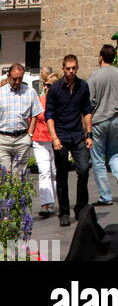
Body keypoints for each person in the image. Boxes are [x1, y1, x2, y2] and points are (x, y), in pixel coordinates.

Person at [45, 55, 94, 227]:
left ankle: (81, 208)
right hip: (61, 135)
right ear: (63, 68)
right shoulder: (55, 89)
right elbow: (49, 114)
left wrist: (89, 134)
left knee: (83, 169)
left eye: (74, 68)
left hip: (78, 134)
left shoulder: (83, 86)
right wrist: (54, 137)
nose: (71, 71)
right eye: (68, 68)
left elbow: (87, 111)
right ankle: (64, 212)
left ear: (77, 68)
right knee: (62, 174)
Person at [87, 43, 118, 207]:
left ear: (100, 57)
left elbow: (88, 104)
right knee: (114, 154)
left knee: (98, 159)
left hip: (99, 121)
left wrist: (87, 129)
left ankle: (105, 196)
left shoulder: (94, 77)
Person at [0, 60, 42, 174]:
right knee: (4, 176)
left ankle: (18, 193)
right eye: (14, 79)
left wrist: (30, 134)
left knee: (19, 178)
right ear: (8, 76)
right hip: (3, 140)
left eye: (20, 78)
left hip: (22, 139)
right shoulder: (1, 93)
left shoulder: (30, 92)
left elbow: (35, 114)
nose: (17, 82)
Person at [32, 69, 60, 217]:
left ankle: (51, 203)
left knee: (55, 172)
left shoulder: (61, 102)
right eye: (46, 85)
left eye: (50, 85)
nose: (47, 88)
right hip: (40, 140)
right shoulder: (40, 100)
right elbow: (33, 117)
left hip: (56, 140)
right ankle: (45, 204)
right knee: (44, 171)